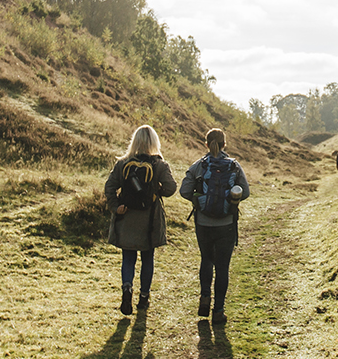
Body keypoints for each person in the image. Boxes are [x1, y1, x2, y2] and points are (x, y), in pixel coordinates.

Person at [104, 124, 178, 315]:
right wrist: (155, 190)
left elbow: (109, 187)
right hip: (149, 220)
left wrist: (115, 207)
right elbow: (171, 188)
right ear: (154, 142)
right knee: (147, 258)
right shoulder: (159, 165)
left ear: (134, 141)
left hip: (126, 218)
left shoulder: (123, 164)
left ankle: (127, 288)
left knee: (128, 258)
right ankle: (144, 298)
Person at [179, 128, 250, 326]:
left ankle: (204, 298)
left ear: (206, 143)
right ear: (225, 144)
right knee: (222, 267)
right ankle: (218, 311)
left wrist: (198, 199)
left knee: (206, 261)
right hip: (226, 224)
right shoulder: (234, 166)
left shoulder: (199, 166)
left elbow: (184, 191)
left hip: (203, 223)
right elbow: (245, 193)